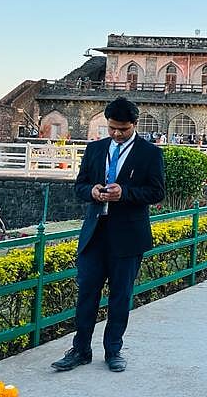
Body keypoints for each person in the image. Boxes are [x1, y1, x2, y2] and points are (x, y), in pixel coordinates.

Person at [51, 97, 166, 373]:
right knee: (86, 294)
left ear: (134, 125)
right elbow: (79, 185)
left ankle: (113, 349)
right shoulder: (95, 149)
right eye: (112, 128)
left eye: (122, 130)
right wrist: (91, 191)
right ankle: (80, 349)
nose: (116, 134)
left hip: (127, 235)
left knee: (120, 296)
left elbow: (156, 192)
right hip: (95, 233)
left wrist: (124, 193)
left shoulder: (149, 153)